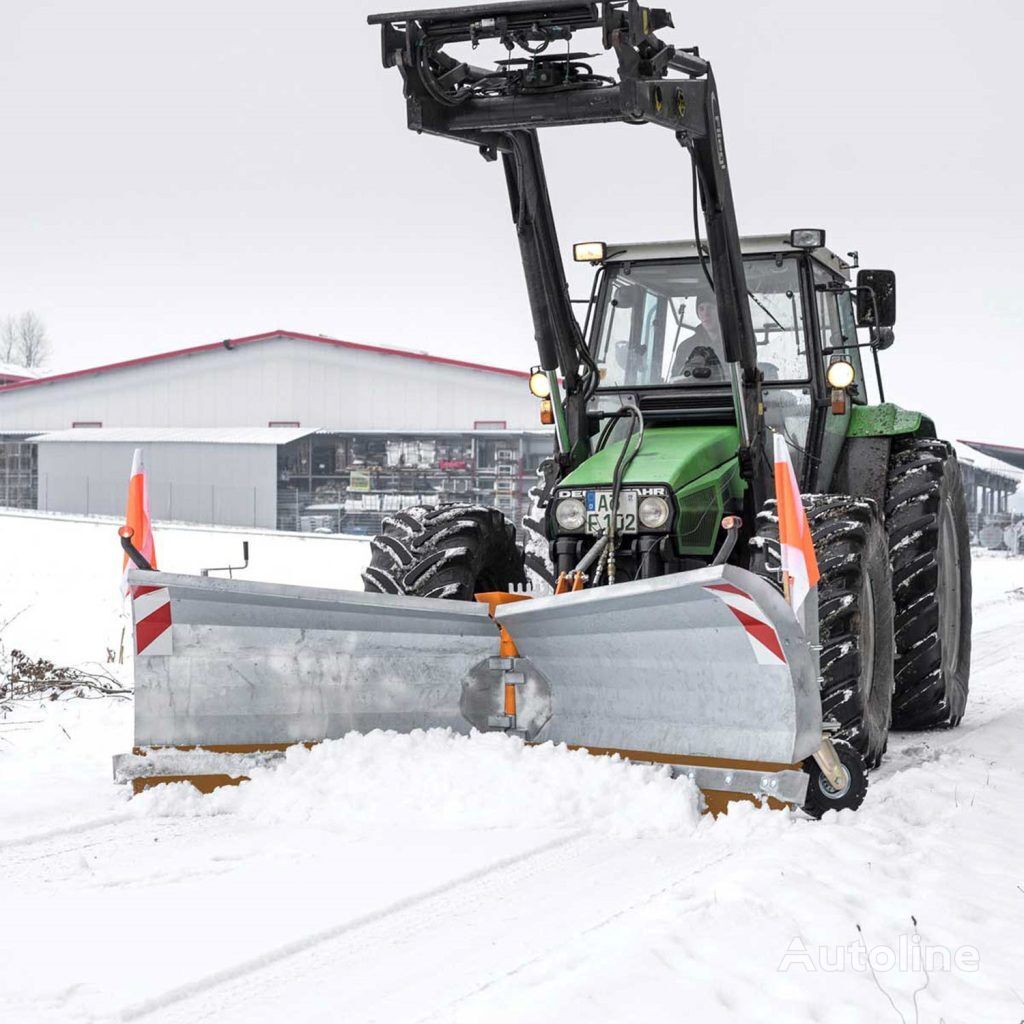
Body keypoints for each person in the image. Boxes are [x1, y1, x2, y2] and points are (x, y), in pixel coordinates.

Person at [669, 291, 726, 382]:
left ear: (719, 311)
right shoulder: (686, 347)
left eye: (710, 308)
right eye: (701, 309)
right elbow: (674, 381)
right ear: (698, 313)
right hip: (693, 395)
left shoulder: (734, 345)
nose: (705, 313)